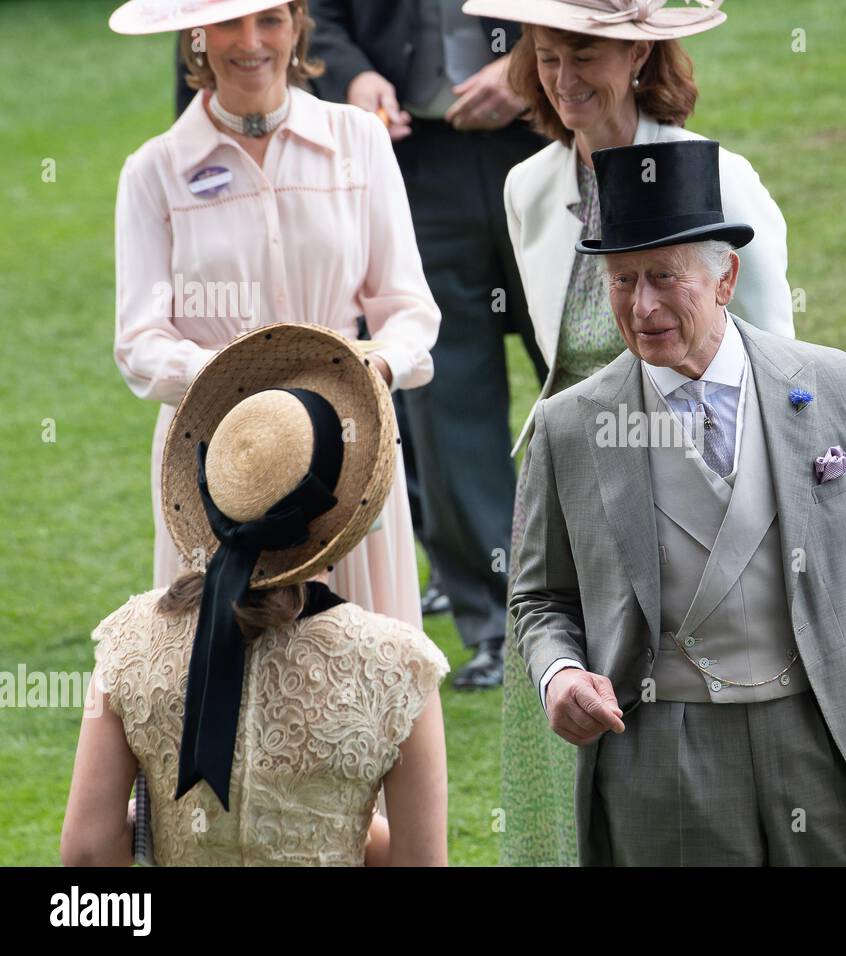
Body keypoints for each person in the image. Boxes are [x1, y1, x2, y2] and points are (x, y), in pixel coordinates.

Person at [511, 139, 846, 866]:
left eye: (662, 277)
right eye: (621, 281)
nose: (641, 305)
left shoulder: (833, 384)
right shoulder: (570, 425)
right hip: (659, 756)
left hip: (823, 739)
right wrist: (558, 673)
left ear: (725, 279)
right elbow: (540, 597)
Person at [470, 0, 793, 866]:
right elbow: (555, 364)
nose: (566, 79)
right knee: (568, 711)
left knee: (673, 735)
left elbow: (781, 372)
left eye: (585, 56)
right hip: (572, 496)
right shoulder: (527, 187)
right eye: (546, 59)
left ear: (642, 55)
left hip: (693, 497)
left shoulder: (720, 177)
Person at [61, 324, 449, 866]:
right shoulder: (400, 667)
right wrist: (344, 828)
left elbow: (86, 853)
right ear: (340, 508)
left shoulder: (129, 644)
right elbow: (420, 864)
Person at [111, 0, 439, 633]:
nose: (251, 42)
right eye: (229, 24)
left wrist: (373, 368)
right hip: (216, 456)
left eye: (269, 19)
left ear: (296, 25)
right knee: (227, 667)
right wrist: (233, 381)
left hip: (349, 442)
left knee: (364, 663)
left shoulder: (358, 139)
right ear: (197, 38)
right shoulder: (153, 170)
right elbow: (139, 341)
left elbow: (408, 308)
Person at [311, 0, 549, 688]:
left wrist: (531, 59)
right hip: (416, 163)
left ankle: (630, 595)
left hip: (549, 138)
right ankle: (505, 625)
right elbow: (316, 14)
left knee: (590, 371)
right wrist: (353, 78)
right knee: (443, 399)